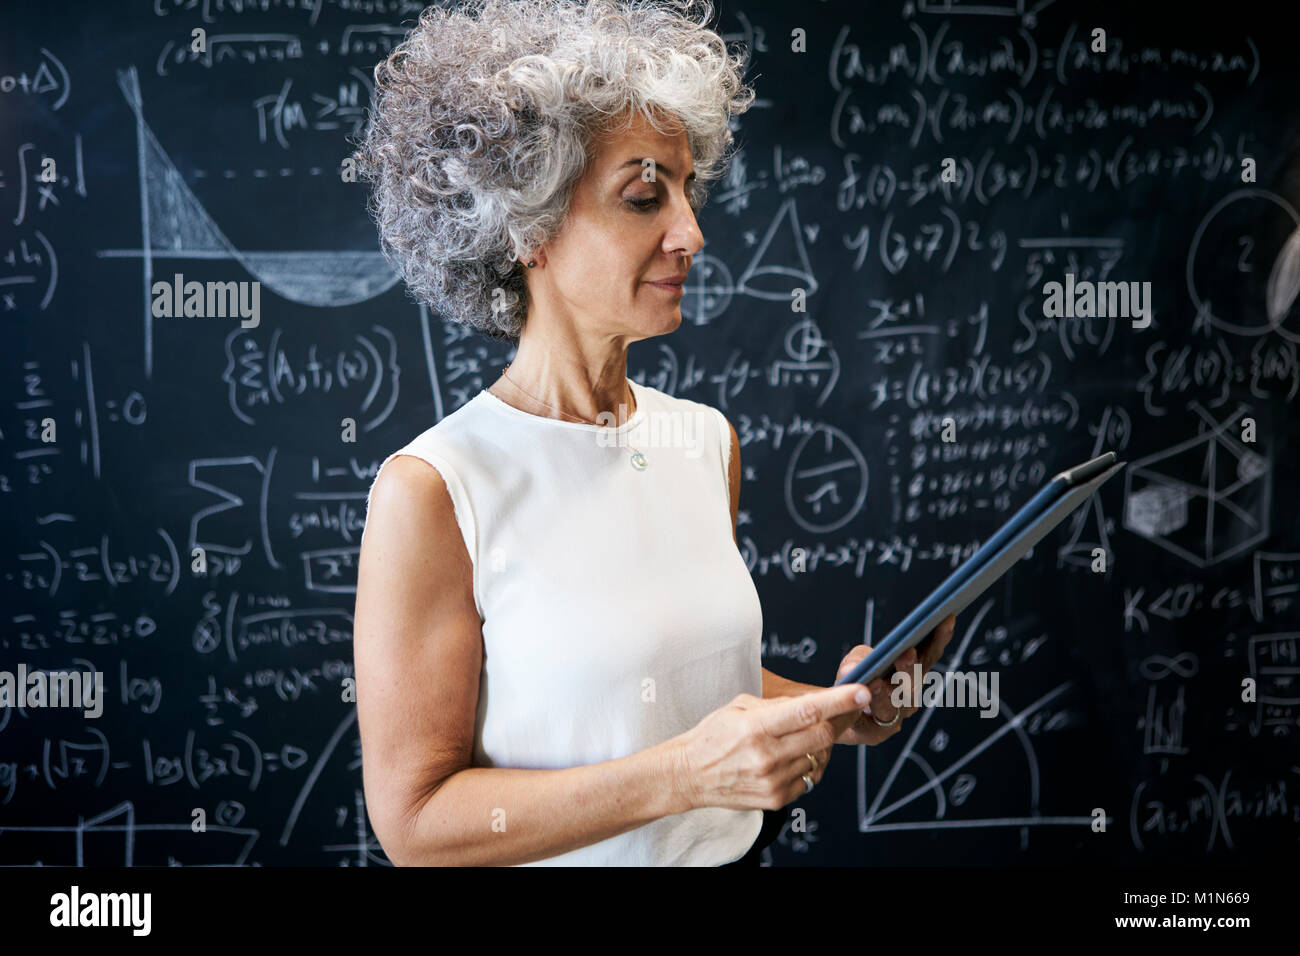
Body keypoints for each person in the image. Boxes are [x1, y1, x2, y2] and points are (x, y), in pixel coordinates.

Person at [352, 0, 955, 866]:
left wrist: (834, 709)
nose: (692, 233)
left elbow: (682, 691)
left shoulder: (706, 443)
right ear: (528, 229)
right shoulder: (436, 489)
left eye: (686, 187)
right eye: (644, 195)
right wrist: (682, 778)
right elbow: (415, 824)